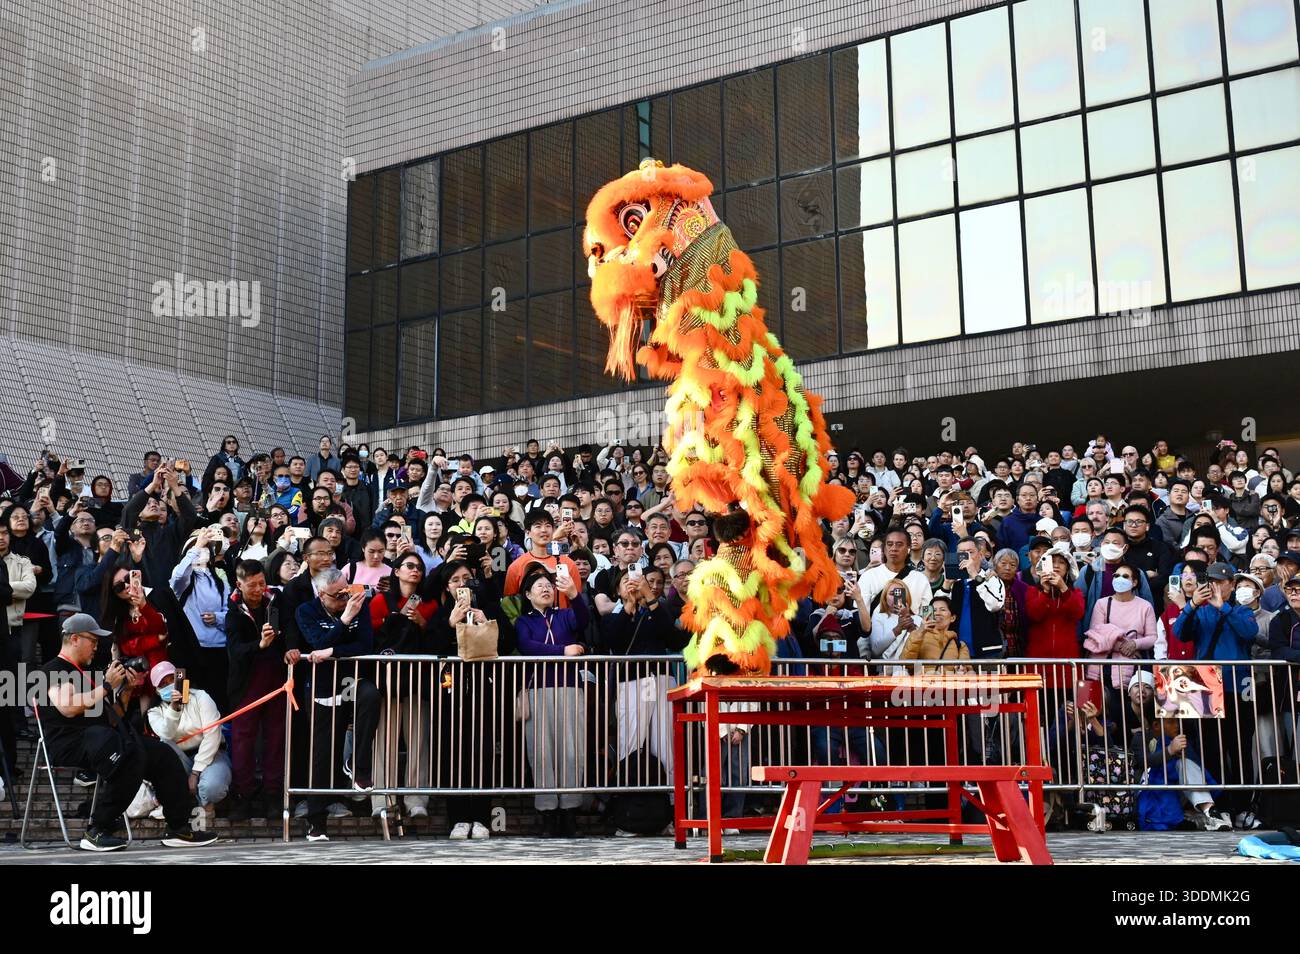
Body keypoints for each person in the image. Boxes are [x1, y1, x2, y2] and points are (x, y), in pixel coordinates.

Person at [36, 614, 217, 851]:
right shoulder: (53, 669)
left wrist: (127, 690)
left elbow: (114, 718)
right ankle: (97, 830)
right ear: (75, 639)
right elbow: (68, 707)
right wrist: (107, 686)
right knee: (130, 757)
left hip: (104, 739)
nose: (96, 647)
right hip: (72, 744)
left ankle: (179, 827)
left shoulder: (86, 675)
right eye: (92, 640)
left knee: (162, 754)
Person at [294, 567, 381, 842]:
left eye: (347, 590)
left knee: (371, 695)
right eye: (338, 595)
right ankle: (316, 823)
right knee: (321, 756)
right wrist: (344, 621)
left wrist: (333, 652)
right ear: (322, 594)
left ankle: (359, 766)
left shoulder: (359, 602)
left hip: (352, 682)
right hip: (323, 689)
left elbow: (366, 645)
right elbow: (316, 641)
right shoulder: (306, 611)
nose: (346, 597)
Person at [514, 564, 589, 837]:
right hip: (538, 691)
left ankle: (570, 813)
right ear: (528, 595)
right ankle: (547, 814)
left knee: (571, 752)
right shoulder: (524, 621)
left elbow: (584, 622)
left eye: (548, 585)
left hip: (569, 688)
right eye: (538, 586)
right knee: (541, 753)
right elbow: (526, 646)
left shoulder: (566, 614)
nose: (545, 589)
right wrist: (563, 650)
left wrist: (574, 594)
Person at [224, 559, 290, 821]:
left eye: (261, 583)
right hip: (246, 683)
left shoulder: (276, 600)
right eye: (251, 585)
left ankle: (274, 795)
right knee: (243, 742)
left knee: (275, 740)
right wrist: (259, 644)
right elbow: (235, 651)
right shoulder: (233, 612)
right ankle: (243, 795)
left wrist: (287, 647)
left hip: (276, 679)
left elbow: (290, 632)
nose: (258, 589)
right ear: (239, 585)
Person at [146, 661, 230, 813]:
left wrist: (195, 772)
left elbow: (212, 735)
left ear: (180, 679)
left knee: (213, 787)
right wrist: (174, 708)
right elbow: (167, 734)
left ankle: (203, 801)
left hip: (211, 754)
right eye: (163, 684)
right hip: (180, 758)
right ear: (157, 691)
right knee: (163, 745)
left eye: (172, 679)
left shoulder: (200, 697)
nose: (169, 685)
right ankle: (192, 803)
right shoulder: (154, 712)